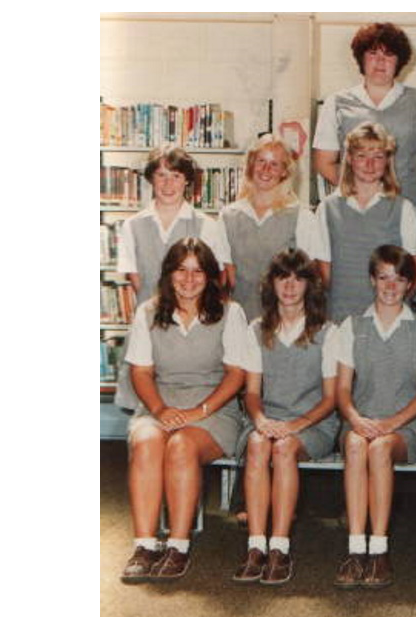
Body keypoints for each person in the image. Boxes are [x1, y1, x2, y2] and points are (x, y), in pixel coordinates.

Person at [120, 238, 248, 583]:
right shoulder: (148, 312)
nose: (189, 279)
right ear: (168, 274)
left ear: (210, 276)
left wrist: (199, 411)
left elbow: (236, 374)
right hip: (160, 404)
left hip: (214, 409)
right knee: (146, 441)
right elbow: (141, 372)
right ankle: (145, 545)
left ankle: (178, 546)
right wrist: (159, 409)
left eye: (198, 271)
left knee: (181, 446)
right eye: (181, 270)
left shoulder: (230, 312)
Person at [232, 249, 339, 585]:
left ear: (309, 285)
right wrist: (260, 420)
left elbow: (331, 398)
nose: (290, 286)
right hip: (268, 417)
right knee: (257, 443)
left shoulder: (327, 331)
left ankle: (279, 548)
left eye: (298, 278)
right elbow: (251, 392)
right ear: (272, 283)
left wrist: (294, 426)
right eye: (282, 277)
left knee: (283, 448)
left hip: (313, 424)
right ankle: (255, 546)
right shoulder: (257, 329)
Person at [331, 245, 416, 589]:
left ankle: (379, 550)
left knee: (379, 448)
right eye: (383, 277)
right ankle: (354, 548)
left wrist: (391, 424)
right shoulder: (352, 326)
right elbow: (342, 389)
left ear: (410, 284)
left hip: (406, 428)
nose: (391, 286)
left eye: (399, 279)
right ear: (372, 281)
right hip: (361, 421)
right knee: (356, 445)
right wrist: (355, 418)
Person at [114, 146, 233, 410]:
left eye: (176, 176)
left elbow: (217, 280)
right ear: (150, 178)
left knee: (192, 408)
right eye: (161, 175)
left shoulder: (207, 225)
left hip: (194, 330)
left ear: (187, 180)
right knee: (148, 410)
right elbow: (138, 283)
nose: (168, 184)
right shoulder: (132, 226)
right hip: (151, 327)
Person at [300, 122, 416, 323]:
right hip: (341, 318)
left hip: (388, 320)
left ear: (387, 160)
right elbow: (324, 275)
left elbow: (415, 270)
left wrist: (394, 308)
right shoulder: (328, 209)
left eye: (378, 157)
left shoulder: (404, 210)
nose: (370, 165)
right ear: (349, 158)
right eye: (361, 156)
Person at [312, 22, 416, 212]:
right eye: (373, 53)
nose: (380, 62)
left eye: (388, 54)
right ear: (361, 58)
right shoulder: (337, 103)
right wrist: (358, 190)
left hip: (407, 206)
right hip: (354, 209)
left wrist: (398, 190)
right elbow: (324, 162)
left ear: (399, 61)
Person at [219, 134, 315, 322]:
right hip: (240, 320)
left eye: (274, 164)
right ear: (251, 165)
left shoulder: (301, 216)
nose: (266, 169)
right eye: (261, 161)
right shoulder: (228, 216)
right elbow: (226, 281)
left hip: (286, 322)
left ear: (284, 172)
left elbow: (308, 279)